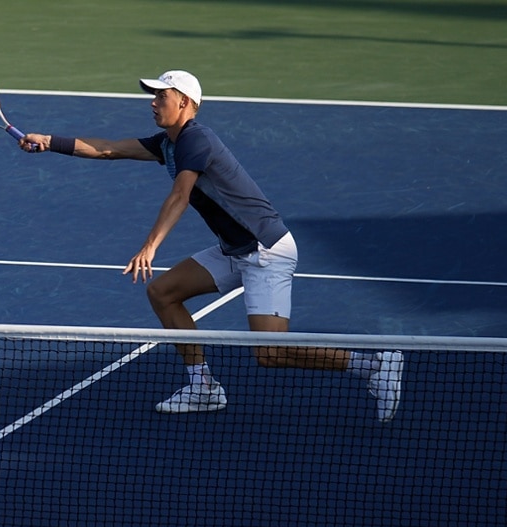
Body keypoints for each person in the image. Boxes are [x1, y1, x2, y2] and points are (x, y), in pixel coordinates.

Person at [20, 70, 404, 422]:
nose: (152, 102)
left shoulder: (196, 140)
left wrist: (150, 245)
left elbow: (181, 194)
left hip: (265, 252)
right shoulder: (169, 143)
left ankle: (374, 366)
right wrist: (50, 141)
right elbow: (108, 148)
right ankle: (202, 386)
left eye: (161, 96)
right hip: (234, 249)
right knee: (164, 293)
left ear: (185, 102)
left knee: (271, 354)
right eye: (152, 96)